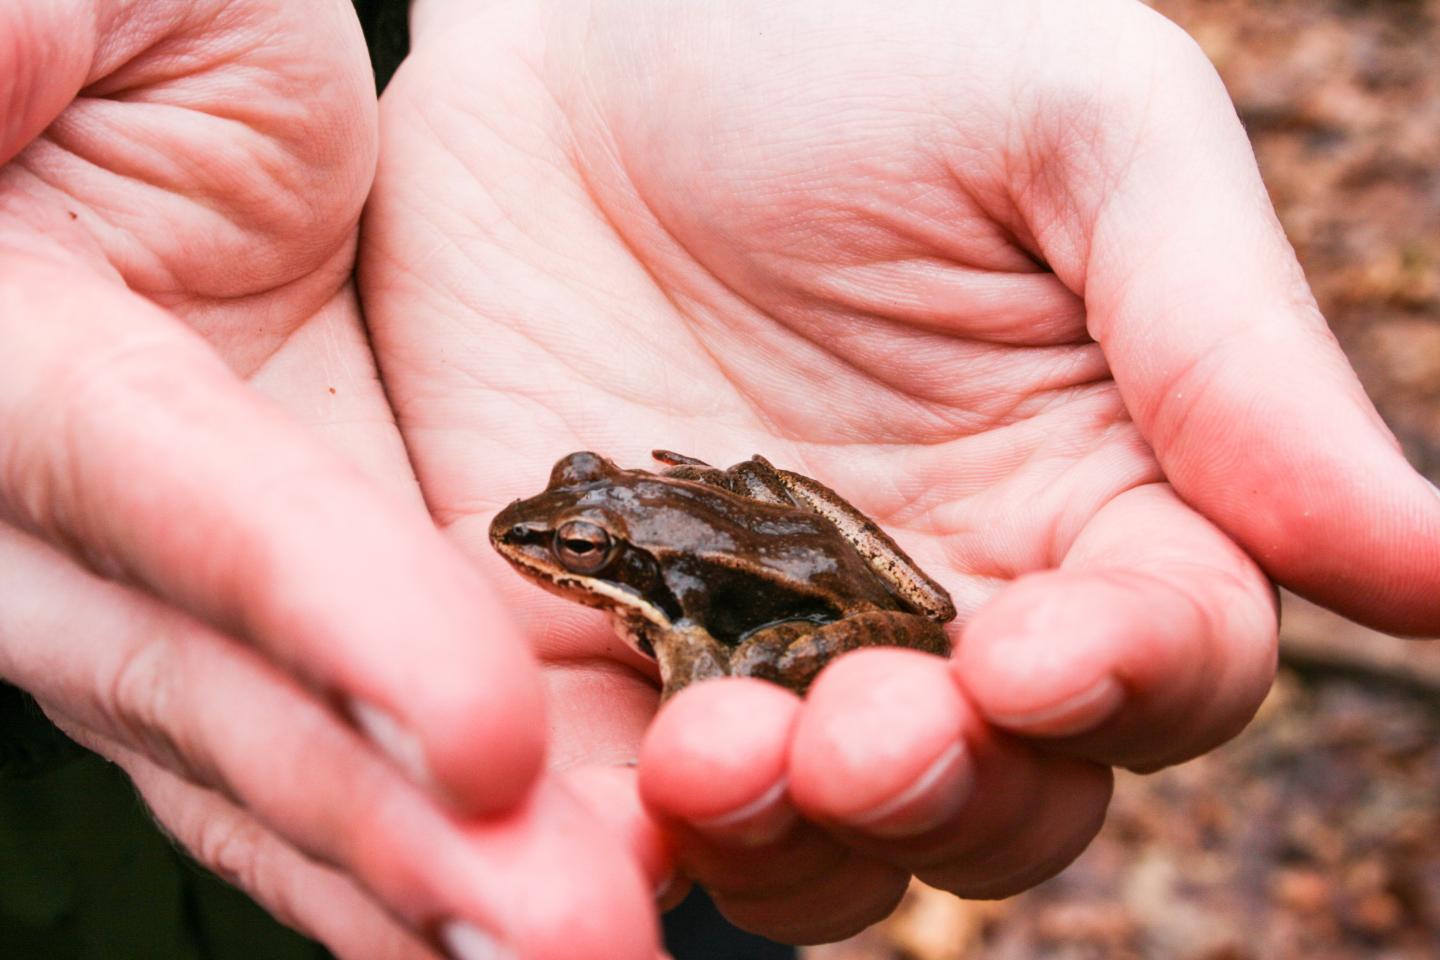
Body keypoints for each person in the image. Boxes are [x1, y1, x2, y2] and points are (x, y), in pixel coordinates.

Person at [2, 0, 1436, 957]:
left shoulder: (668, 593)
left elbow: (699, 663)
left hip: (790, 612)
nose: (548, 548)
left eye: (574, 529)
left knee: (703, 823)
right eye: (566, 534)